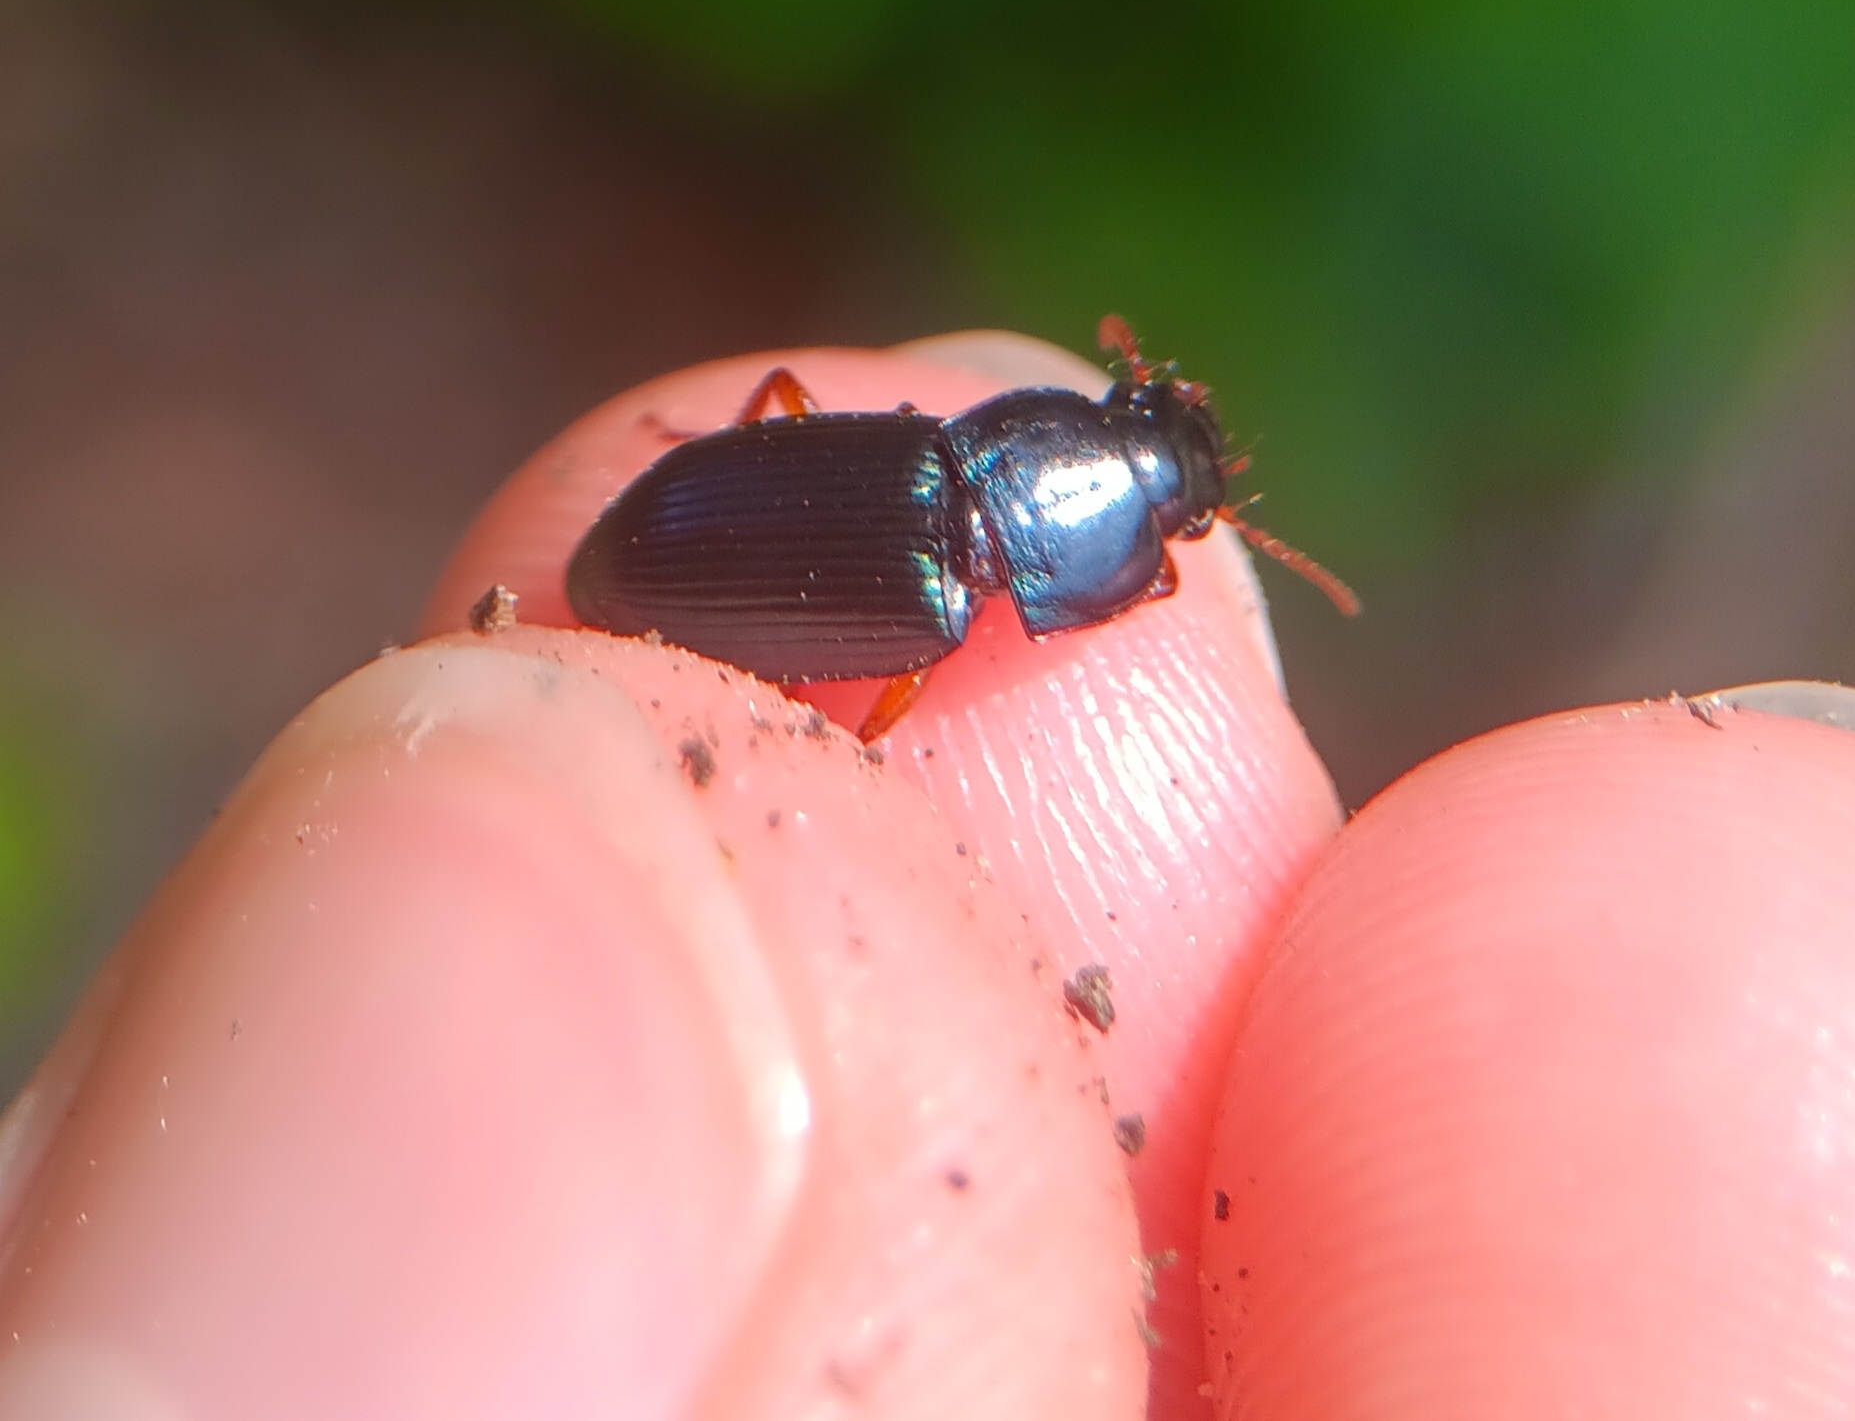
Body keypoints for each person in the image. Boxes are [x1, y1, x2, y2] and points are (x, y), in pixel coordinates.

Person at [0, 331, 1850, 1420]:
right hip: (707, 575)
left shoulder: (960, 494)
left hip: (724, 536)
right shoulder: (978, 597)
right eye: (1158, 479)